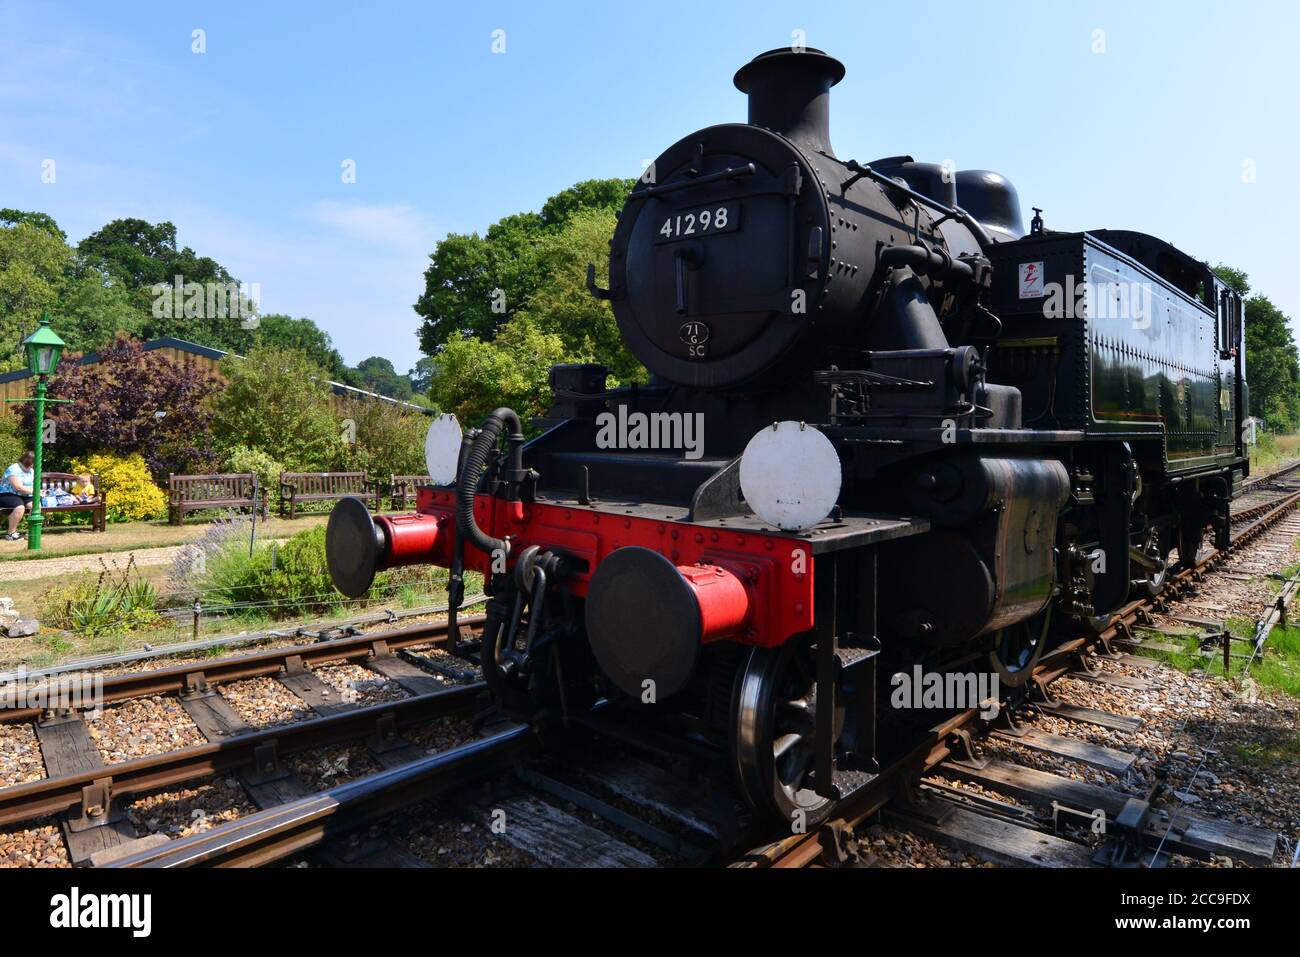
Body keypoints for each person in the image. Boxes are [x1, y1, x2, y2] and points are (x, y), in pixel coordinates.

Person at [0, 451, 35, 541]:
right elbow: (18, 488)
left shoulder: (32, 471)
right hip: (7, 494)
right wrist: (35, 492)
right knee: (19, 507)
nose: (34, 465)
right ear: (29, 461)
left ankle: (32, 532)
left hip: (25, 495)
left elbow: (32, 485)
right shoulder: (13, 469)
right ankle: (11, 534)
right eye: (33, 463)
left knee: (36, 506)